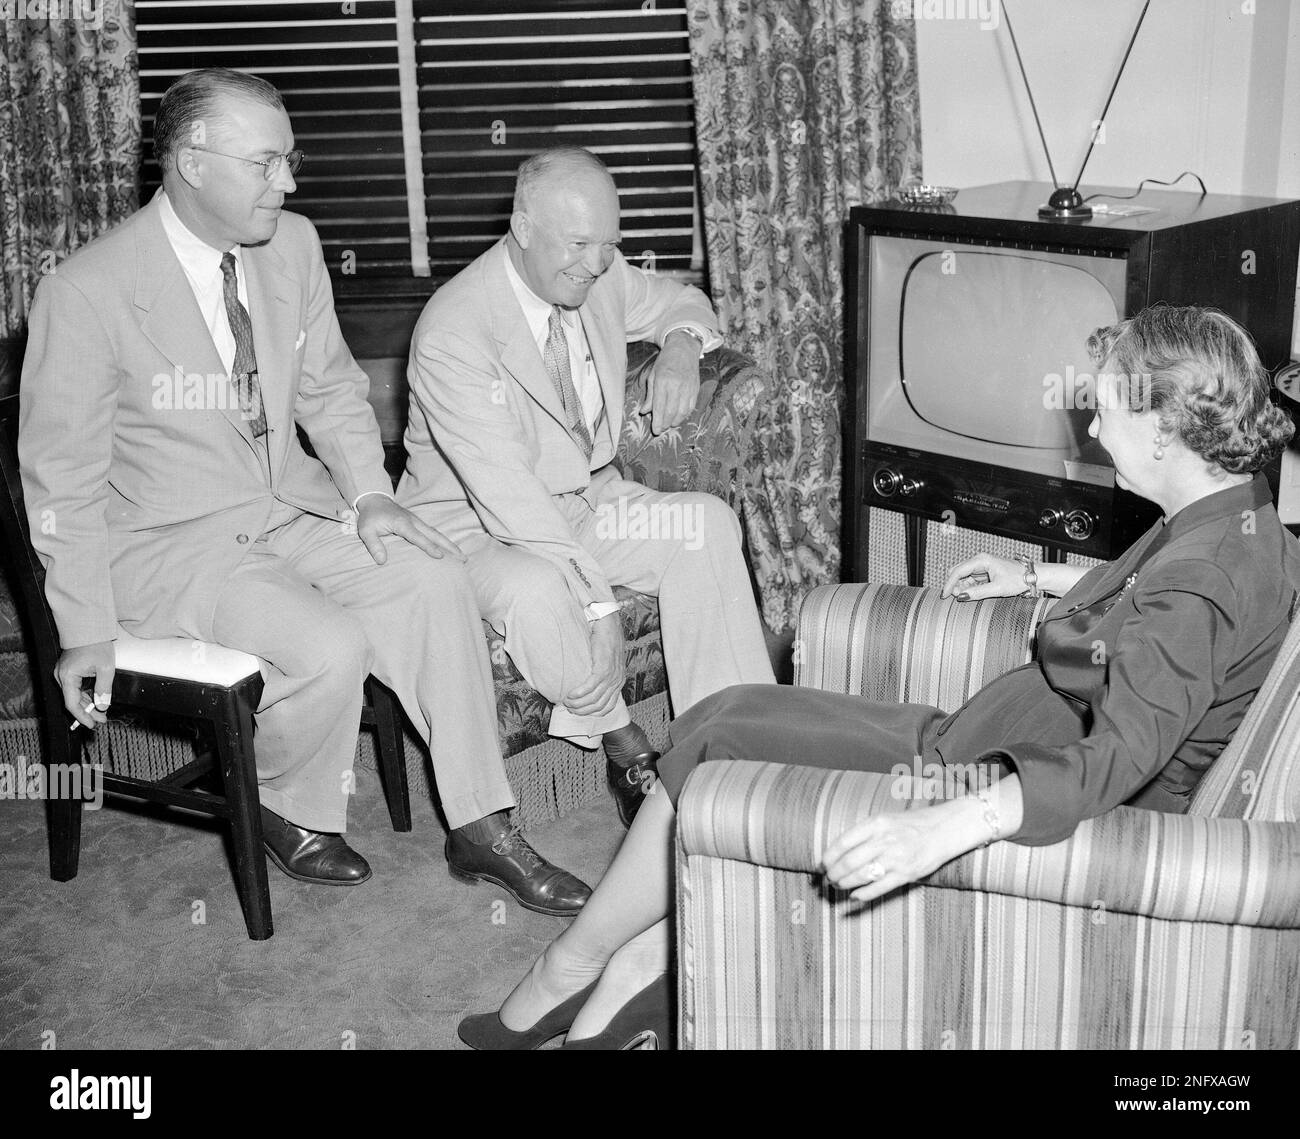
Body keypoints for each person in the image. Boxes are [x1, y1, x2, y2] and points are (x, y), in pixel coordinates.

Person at [458, 304, 1300, 1048]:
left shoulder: (1207, 577)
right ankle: (643, 960)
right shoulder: (1239, 513)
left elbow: (1124, 753)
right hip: (980, 738)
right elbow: (1150, 614)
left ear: (1162, 430)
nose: (1092, 430)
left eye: (1107, 408)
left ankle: (574, 966)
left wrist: (948, 823)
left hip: (977, 773)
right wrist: (1039, 581)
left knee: (714, 727)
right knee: (732, 709)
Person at [19, 67, 590, 917]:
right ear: (191, 161)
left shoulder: (292, 247)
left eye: (290, 160)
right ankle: (287, 799)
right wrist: (84, 628)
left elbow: (328, 389)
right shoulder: (87, 290)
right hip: (170, 544)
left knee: (433, 580)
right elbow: (58, 475)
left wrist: (368, 495)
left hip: (292, 507)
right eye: (267, 163)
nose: (288, 182)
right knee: (326, 642)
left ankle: (483, 823)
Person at [398, 146, 775, 827]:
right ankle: (624, 742)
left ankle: (732, 754)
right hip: (469, 527)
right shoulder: (455, 330)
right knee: (548, 592)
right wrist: (598, 604)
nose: (596, 264)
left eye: (610, 244)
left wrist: (682, 347)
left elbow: (686, 300)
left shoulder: (600, 275)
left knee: (706, 526)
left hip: (580, 499)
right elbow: (509, 499)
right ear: (520, 228)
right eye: (579, 244)